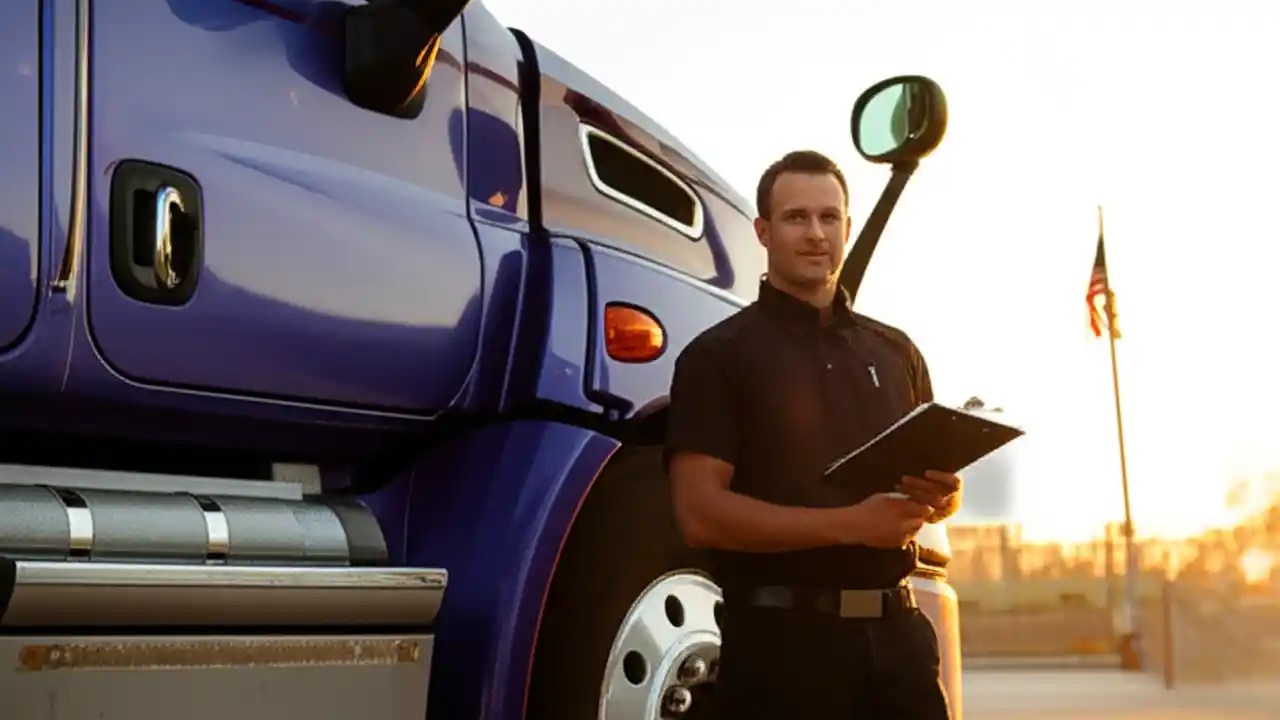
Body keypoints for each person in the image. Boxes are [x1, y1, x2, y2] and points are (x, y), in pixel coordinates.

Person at [664, 149, 963, 719]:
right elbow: (699, 513)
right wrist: (852, 525)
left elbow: (938, 493)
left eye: (829, 218)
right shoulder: (717, 357)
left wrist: (945, 497)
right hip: (782, 648)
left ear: (847, 228)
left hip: (901, 642)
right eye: (796, 217)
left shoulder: (896, 352)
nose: (815, 234)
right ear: (764, 230)